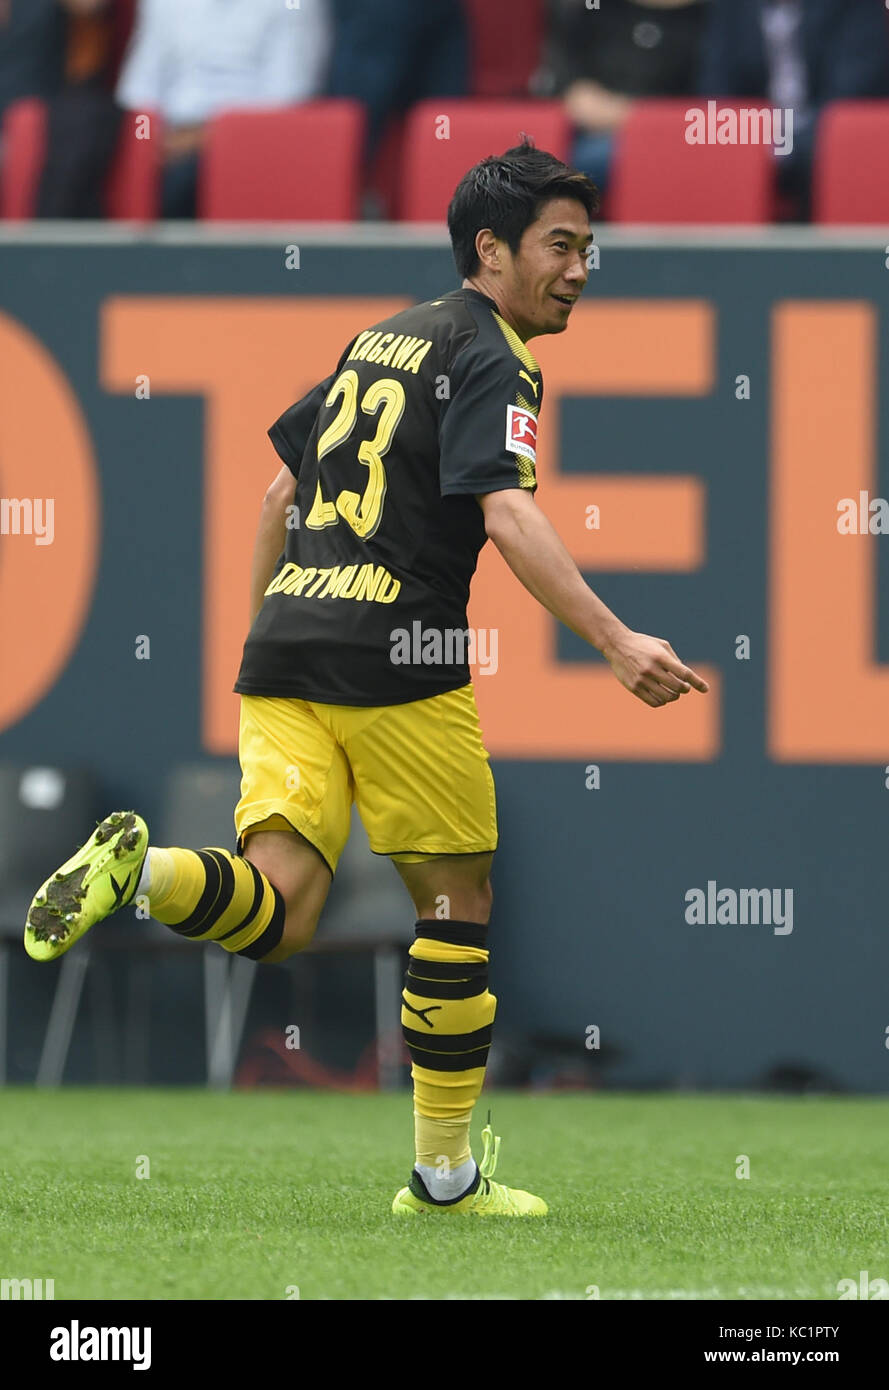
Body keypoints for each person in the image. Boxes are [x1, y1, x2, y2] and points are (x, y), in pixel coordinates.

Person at [24, 142, 708, 1216]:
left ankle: (147, 875)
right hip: (400, 656)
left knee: (284, 906)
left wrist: (265, 650)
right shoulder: (491, 354)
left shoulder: (381, 336)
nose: (581, 269)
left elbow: (273, 499)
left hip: (286, 647)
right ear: (492, 250)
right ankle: (443, 1182)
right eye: (561, 246)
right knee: (457, 904)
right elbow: (508, 510)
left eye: (588, 247)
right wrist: (617, 640)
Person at [115, 0, 330, 218]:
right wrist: (146, 142)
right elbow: (141, 91)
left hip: (253, 143)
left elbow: (287, 100)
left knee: (186, 178)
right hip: (169, 138)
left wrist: (206, 138)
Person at [700, 0, 889, 216]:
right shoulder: (734, 6)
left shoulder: (853, 5)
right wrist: (747, 145)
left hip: (830, 149)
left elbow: (853, 95)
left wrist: (782, 147)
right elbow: (717, 89)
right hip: (753, 143)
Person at [541, 0, 709, 197]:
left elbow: (715, 101)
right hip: (599, 133)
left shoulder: (712, 18)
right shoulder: (593, 10)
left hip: (683, 134)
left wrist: (645, 120)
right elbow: (578, 97)